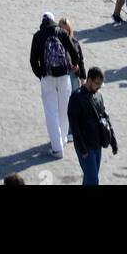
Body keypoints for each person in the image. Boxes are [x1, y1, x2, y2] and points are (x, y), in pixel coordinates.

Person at [30, 11, 80, 157]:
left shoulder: (38, 36)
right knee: (64, 109)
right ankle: (63, 139)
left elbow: (33, 61)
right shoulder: (61, 33)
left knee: (51, 112)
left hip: (48, 77)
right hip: (64, 76)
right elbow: (74, 52)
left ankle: (57, 148)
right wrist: (72, 66)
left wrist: (41, 74)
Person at [67, 66, 116, 186]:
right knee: (93, 181)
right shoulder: (76, 98)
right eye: (97, 83)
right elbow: (74, 125)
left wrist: (113, 139)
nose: (99, 87)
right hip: (86, 147)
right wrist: (82, 149)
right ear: (89, 80)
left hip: (97, 145)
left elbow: (105, 117)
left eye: (101, 84)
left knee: (89, 179)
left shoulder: (98, 96)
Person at [58, 15, 86, 94]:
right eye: (63, 29)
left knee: (75, 96)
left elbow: (81, 60)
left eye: (67, 29)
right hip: (62, 76)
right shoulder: (57, 43)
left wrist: (83, 77)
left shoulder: (75, 42)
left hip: (74, 75)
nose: (65, 32)